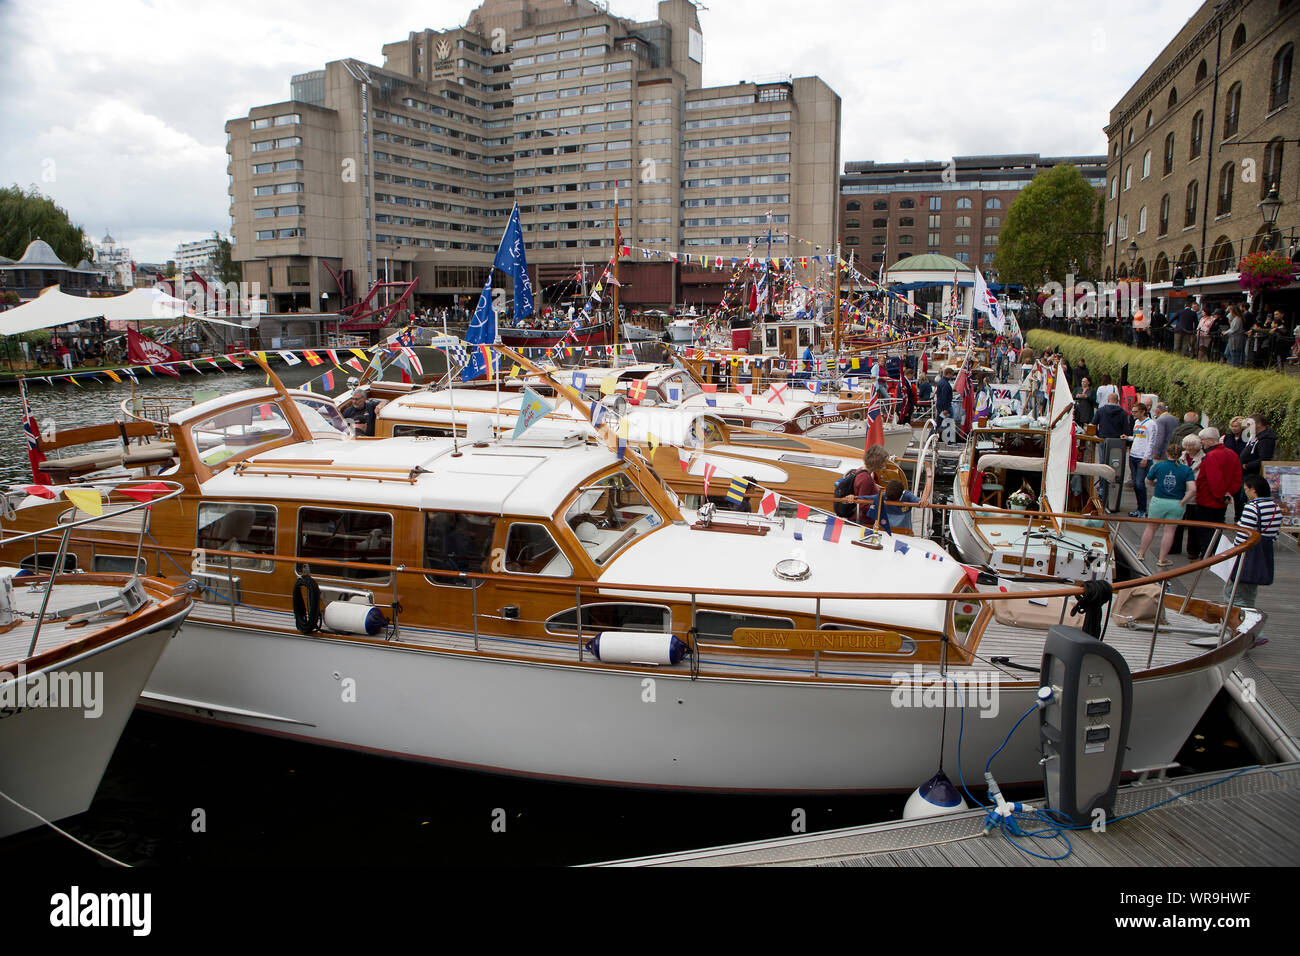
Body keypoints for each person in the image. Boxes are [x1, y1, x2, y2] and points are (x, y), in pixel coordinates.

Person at [1225, 474, 1282, 609]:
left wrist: (1232, 552)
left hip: (1247, 554)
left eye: (1246, 489)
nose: (1245, 493)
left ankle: (1239, 626)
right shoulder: (1275, 508)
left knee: (1233, 595)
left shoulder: (1252, 507)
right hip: (1264, 554)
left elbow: (1243, 535)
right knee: (1249, 595)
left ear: (1254, 490)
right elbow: (1275, 535)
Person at [1138, 442, 1197, 566]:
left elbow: (1147, 481)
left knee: (1150, 528)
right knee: (1169, 531)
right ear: (1180, 454)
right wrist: (1183, 501)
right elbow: (1192, 489)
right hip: (1176, 503)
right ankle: (1162, 559)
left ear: (1167, 453)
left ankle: (1141, 553)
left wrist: (1155, 483)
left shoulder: (1158, 466)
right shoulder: (1186, 469)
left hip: (1159, 500)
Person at [1191, 427, 1243, 560]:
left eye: (1202, 440)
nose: (1201, 443)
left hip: (1208, 499)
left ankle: (1208, 555)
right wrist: (1229, 494)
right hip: (1222, 499)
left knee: (1205, 529)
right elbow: (1237, 477)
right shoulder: (1232, 454)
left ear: (1210, 440)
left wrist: (1221, 495)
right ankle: (1213, 552)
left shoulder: (1212, 455)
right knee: (1217, 527)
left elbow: (1214, 479)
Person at [1128, 402, 1154, 518]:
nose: (1133, 414)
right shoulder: (1136, 422)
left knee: (1139, 483)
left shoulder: (1151, 424)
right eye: (1133, 411)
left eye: (1135, 412)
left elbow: (1151, 441)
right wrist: (1128, 438)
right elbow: (1137, 436)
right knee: (1135, 483)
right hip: (1133, 455)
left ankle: (1143, 509)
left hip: (1142, 457)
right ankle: (1139, 508)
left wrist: (1146, 457)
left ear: (1143, 412)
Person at [854, 444, 890, 525]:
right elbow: (863, 504)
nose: (885, 466)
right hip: (863, 521)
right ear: (877, 463)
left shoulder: (860, 471)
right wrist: (881, 508)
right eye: (883, 463)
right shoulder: (866, 479)